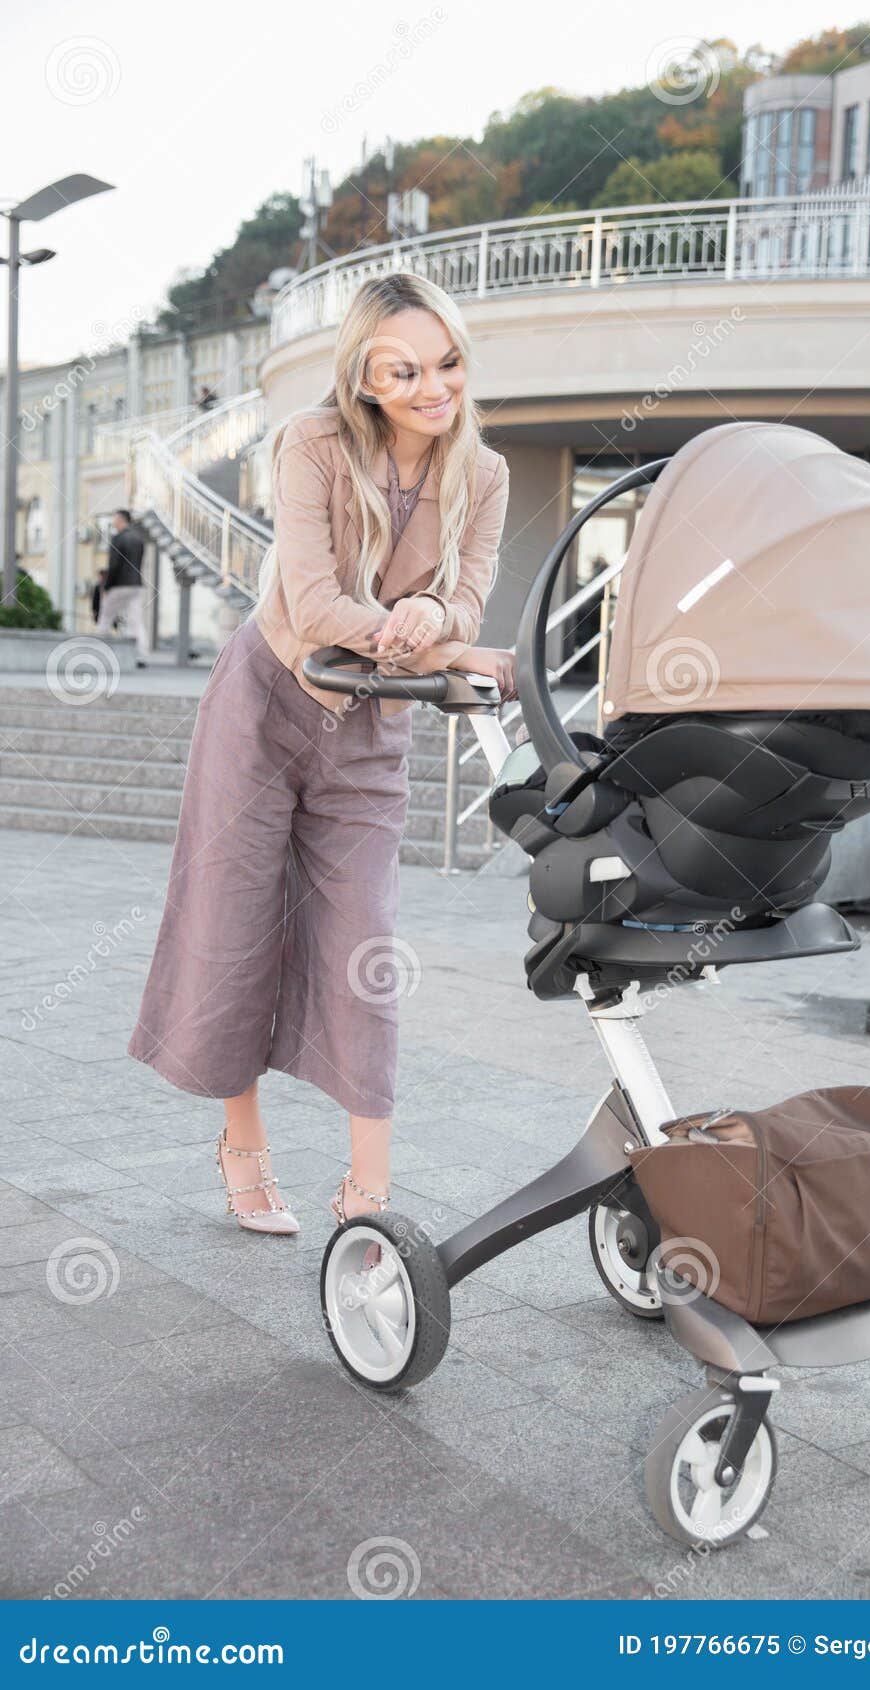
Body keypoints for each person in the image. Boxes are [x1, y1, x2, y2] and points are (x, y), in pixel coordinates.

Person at [127, 270, 515, 1237]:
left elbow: (467, 593)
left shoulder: (487, 474)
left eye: (449, 363)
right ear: (366, 378)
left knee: (364, 951)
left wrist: (441, 616)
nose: (435, 387)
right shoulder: (312, 443)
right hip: (264, 702)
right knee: (233, 926)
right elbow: (310, 606)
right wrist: (453, 643)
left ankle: (370, 1197)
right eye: (406, 369)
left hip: (372, 726)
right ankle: (243, 1149)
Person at [96, 510, 150, 667]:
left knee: (105, 617)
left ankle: (98, 651)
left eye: (114, 520)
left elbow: (114, 565)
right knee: (136, 621)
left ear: (121, 520)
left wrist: (106, 586)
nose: (113, 523)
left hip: (119, 585)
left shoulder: (118, 539)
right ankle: (141, 656)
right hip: (135, 585)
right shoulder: (139, 539)